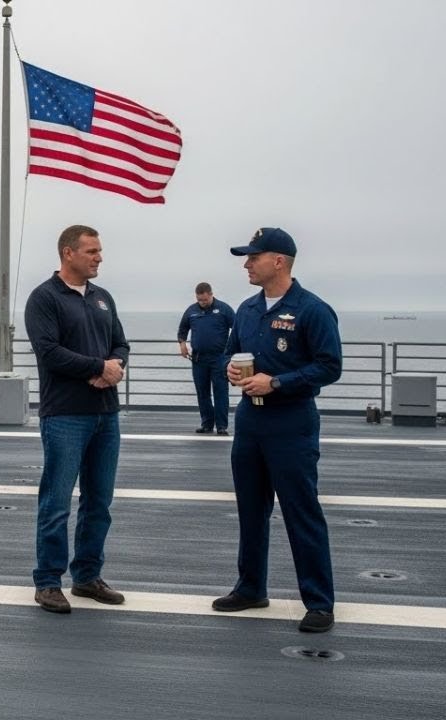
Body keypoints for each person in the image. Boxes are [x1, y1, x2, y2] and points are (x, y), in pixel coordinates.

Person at [212, 228, 342, 634]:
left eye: (253, 257)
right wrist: (230, 369)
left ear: (279, 261)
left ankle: (319, 602)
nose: (247, 264)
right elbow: (229, 354)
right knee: (251, 510)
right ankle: (251, 587)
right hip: (250, 420)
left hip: (291, 421)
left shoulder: (312, 310)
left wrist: (278, 382)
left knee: (301, 511)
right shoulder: (248, 310)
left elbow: (329, 366)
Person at [23, 225, 130, 614]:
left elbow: (121, 342)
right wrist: (97, 367)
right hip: (66, 415)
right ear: (68, 253)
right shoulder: (44, 298)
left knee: (99, 501)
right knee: (56, 501)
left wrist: (113, 365)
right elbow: (49, 351)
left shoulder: (103, 298)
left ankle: (87, 576)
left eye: (99, 251)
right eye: (91, 251)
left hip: (106, 415)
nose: (99, 257)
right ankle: (48, 581)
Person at [177, 282, 235, 435]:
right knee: (202, 392)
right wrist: (182, 344)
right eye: (199, 300)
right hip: (198, 359)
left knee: (220, 392)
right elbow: (182, 329)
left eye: (204, 300)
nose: (202, 303)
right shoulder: (191, 310)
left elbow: (237, 328)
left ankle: (222, 426)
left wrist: (233, 350)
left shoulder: (224, 309)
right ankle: (207, 423)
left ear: (211, 294)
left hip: (219, 359)